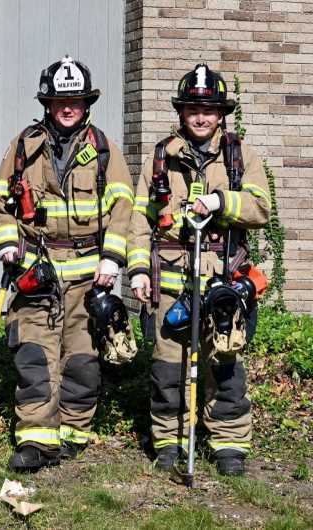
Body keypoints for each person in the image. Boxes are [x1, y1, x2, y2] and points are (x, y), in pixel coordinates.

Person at [0, 56, 134, 471]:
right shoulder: (24, 146)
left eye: (75, 100)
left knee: (83, 360)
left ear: (87, 104)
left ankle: (72, 434)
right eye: (58, 101)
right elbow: (0, 206)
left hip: (89, 275)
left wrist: (112, 260)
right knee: (35, 356)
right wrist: (7, 248)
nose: (67, 107)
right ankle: (36, 440)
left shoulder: (105, 150)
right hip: (38, 270)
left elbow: (124, 209)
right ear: (46, 103)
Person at [128, 64, 270, 476]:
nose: (201, 117)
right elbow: (140, 219)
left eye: (209, 110)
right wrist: (138, 271)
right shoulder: (161, 157)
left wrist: (223, 202)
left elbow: (262, 207)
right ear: (182, 112)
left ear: (222, 114)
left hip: (224, 281)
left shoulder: (240, 155)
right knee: (167, 369)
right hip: (170, 282)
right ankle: (170, 442)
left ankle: (228, 443)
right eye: (193, 109)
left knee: (224, 365)